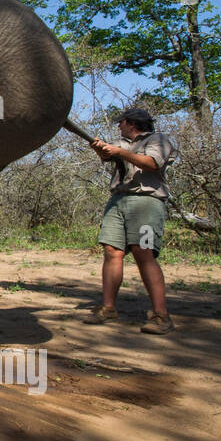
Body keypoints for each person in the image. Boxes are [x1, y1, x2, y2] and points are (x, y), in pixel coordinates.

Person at [85, 107, 178, 335]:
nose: (118, 126)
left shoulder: (159, 140)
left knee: (143, 252)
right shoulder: (122, 144)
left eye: (121, 123)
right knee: (111, 250)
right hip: (118, 200)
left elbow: (152, 163)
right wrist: (101, 149)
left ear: (131, 123)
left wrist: (118, 150)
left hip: (146, 202)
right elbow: (109, 157)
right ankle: (108, 308)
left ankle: (160, 315)